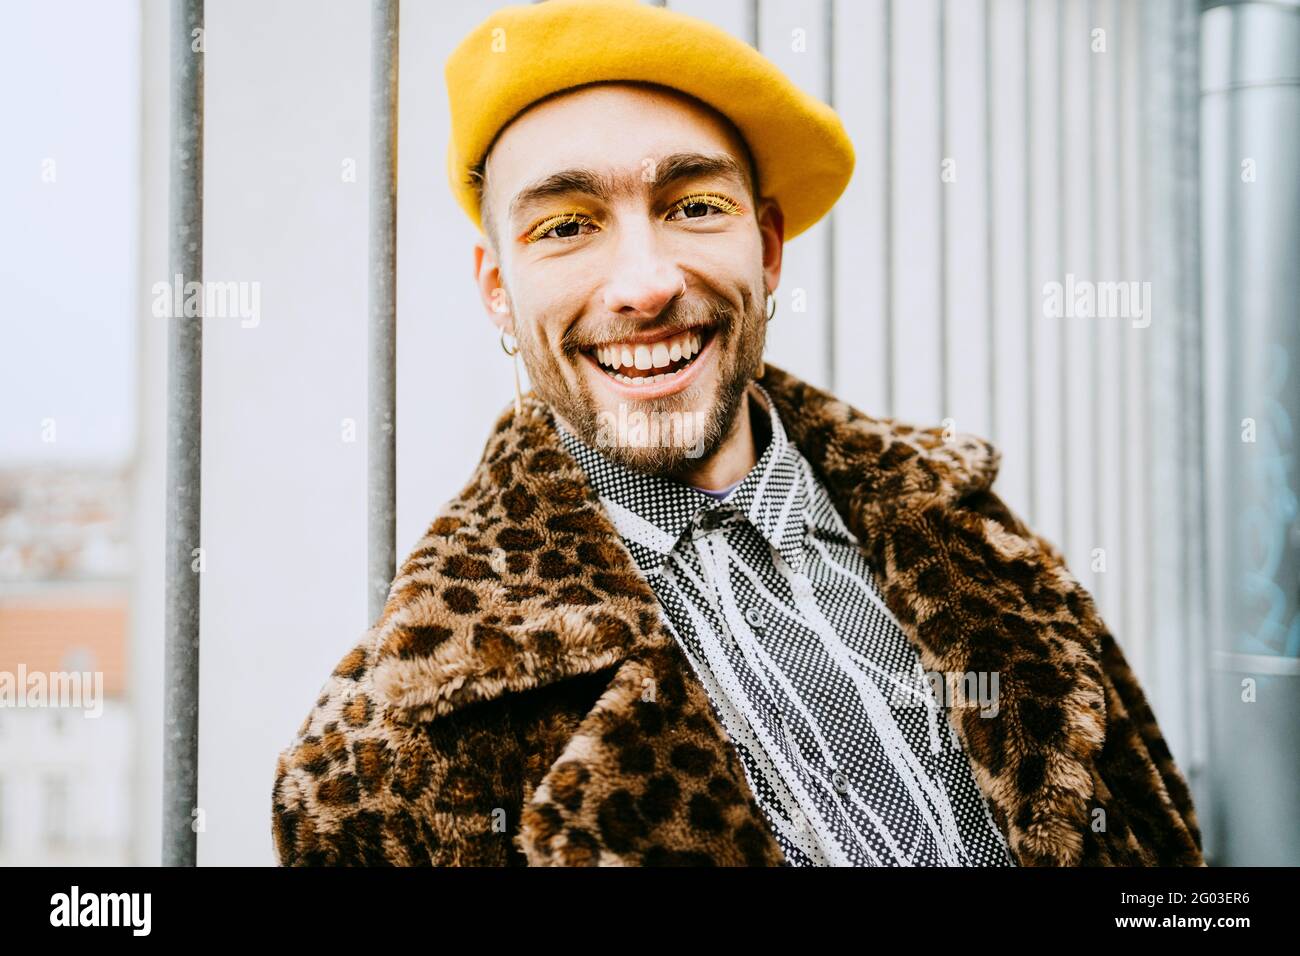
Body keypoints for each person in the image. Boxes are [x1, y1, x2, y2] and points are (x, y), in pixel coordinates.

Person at [271, 0, 1203, 866]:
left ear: (766, 247)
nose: (644, 283)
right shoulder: (394, 748)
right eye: (566, 226)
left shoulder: (973, 533)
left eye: (693, 206)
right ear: (497, 293)